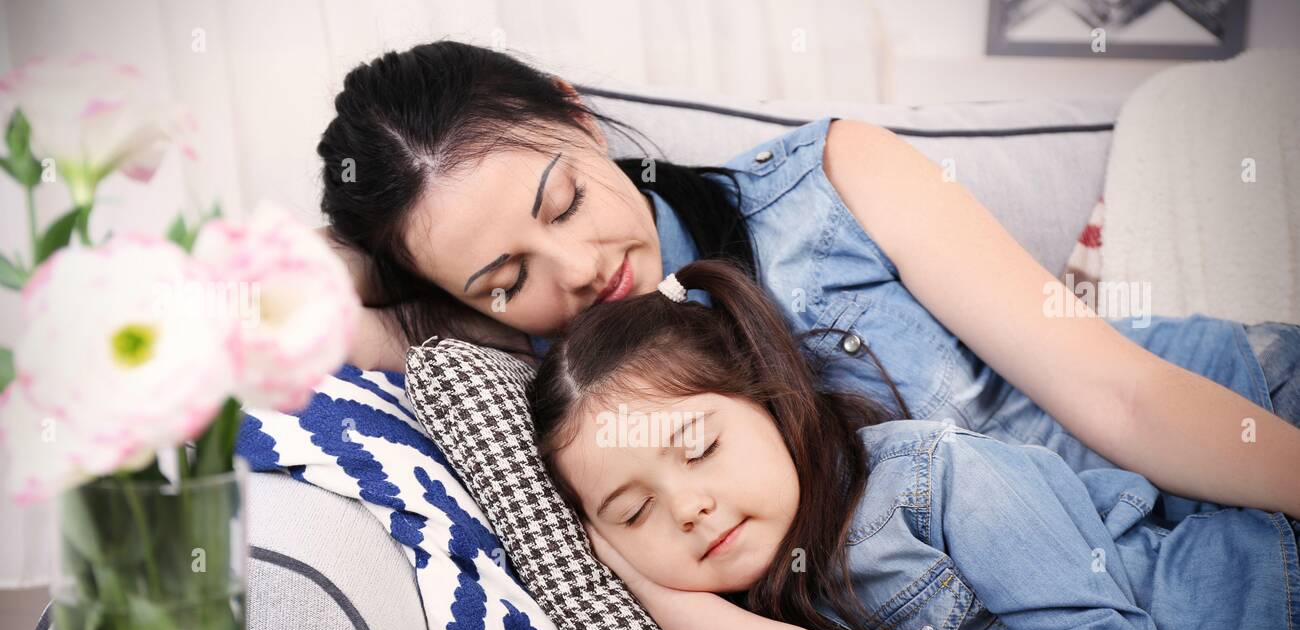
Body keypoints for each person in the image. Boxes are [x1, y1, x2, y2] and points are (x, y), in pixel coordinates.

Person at [317, 39, 1300, 524]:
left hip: (1231, 421)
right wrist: (378, 248)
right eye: (502, 275)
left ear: (579, 119)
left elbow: (1117, 392)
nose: (578, 273)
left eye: (564, 200)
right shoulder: (531, 361)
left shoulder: (832, 177)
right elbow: (283, 308)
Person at [525, 258, 1300, 630]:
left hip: (1264, 625)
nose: (688, 507)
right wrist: (646, 577)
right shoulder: (742, 616)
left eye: (700, 448)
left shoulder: (928, 479)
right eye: (634, 510)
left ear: (766, 397)